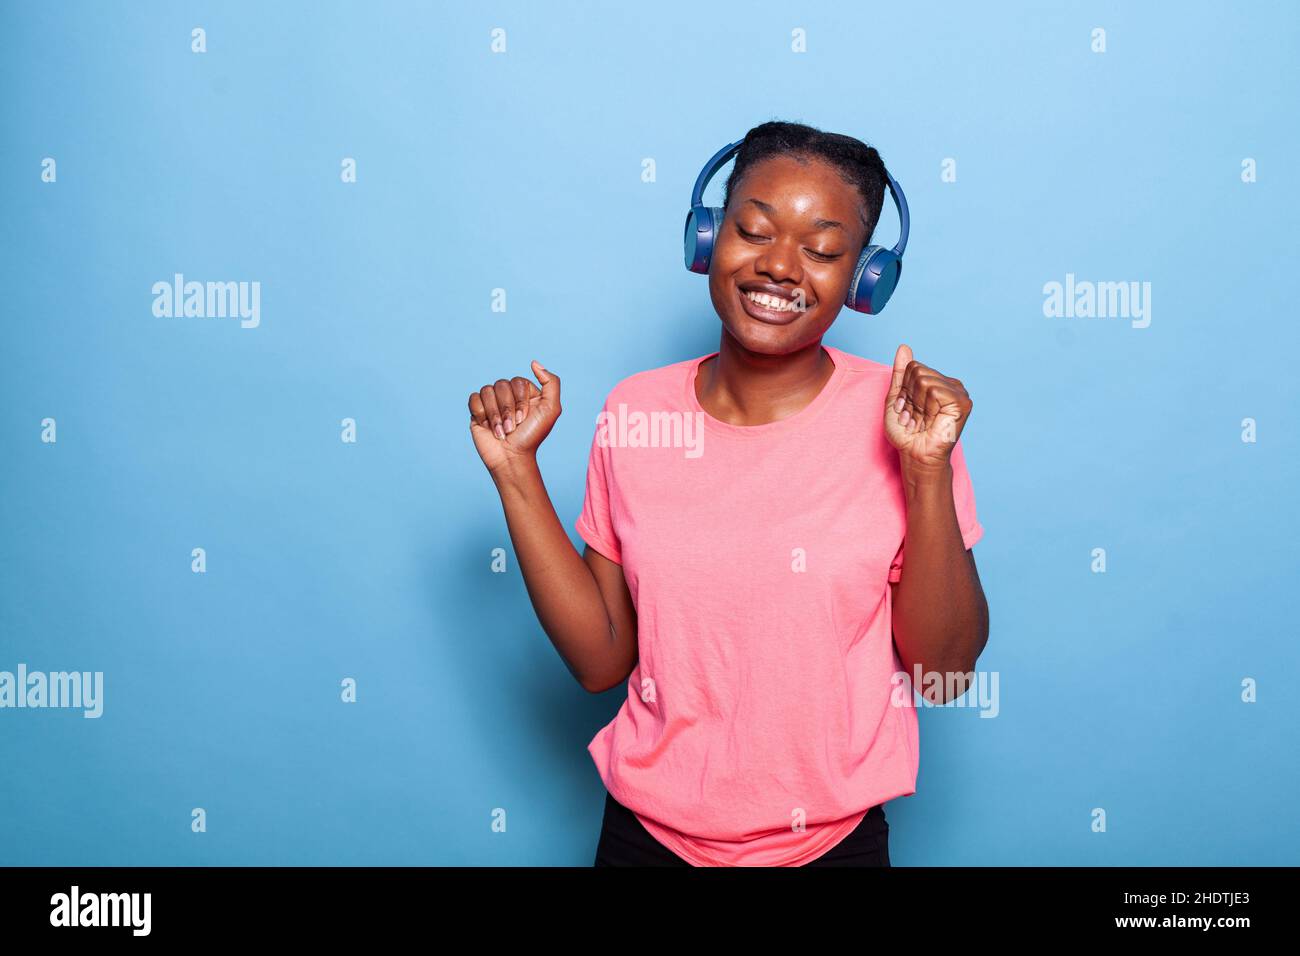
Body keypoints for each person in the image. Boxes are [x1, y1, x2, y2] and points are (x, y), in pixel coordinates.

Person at [466, 120, 989, 867]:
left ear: (864, 278)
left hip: (832, 848)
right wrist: (515, 471)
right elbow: (601, 661)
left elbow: (947, 674)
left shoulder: (906, 422)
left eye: (821, 250)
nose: (780, 267)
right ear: (708, 238)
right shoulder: (635, 412)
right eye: (753, 230)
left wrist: (927, 470)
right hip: (645, 842)